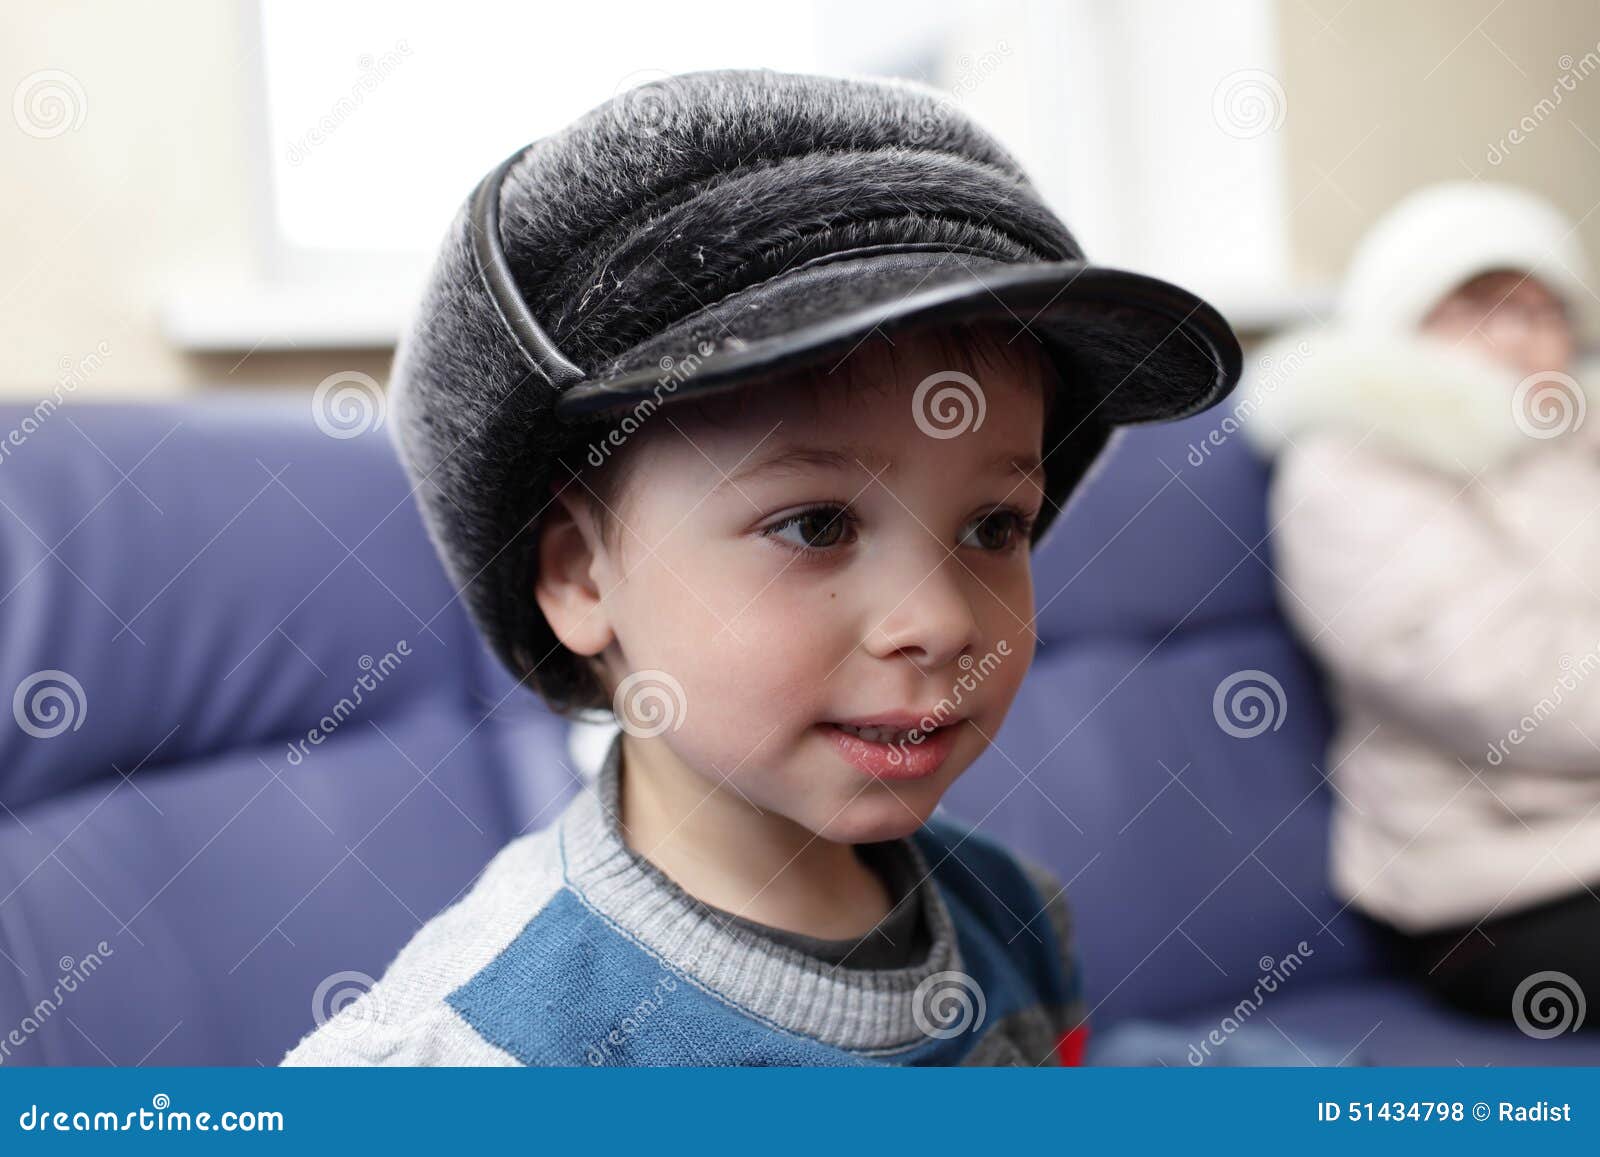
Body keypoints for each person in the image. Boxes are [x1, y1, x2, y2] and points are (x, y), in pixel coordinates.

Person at [280, 68, 1240, 1065]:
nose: (940, 621)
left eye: (994, 525)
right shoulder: (473, 1053)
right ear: (578, 576)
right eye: (817, 524)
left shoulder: (1015, 914)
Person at [1243, 182, 1600, 1026]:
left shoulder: (1571, 449)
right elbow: (1503, 684)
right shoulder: (1351, 461)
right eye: (1482, 305)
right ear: (1400, 316)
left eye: (1546, 310)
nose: (1521, 336)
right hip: (1496, 896)